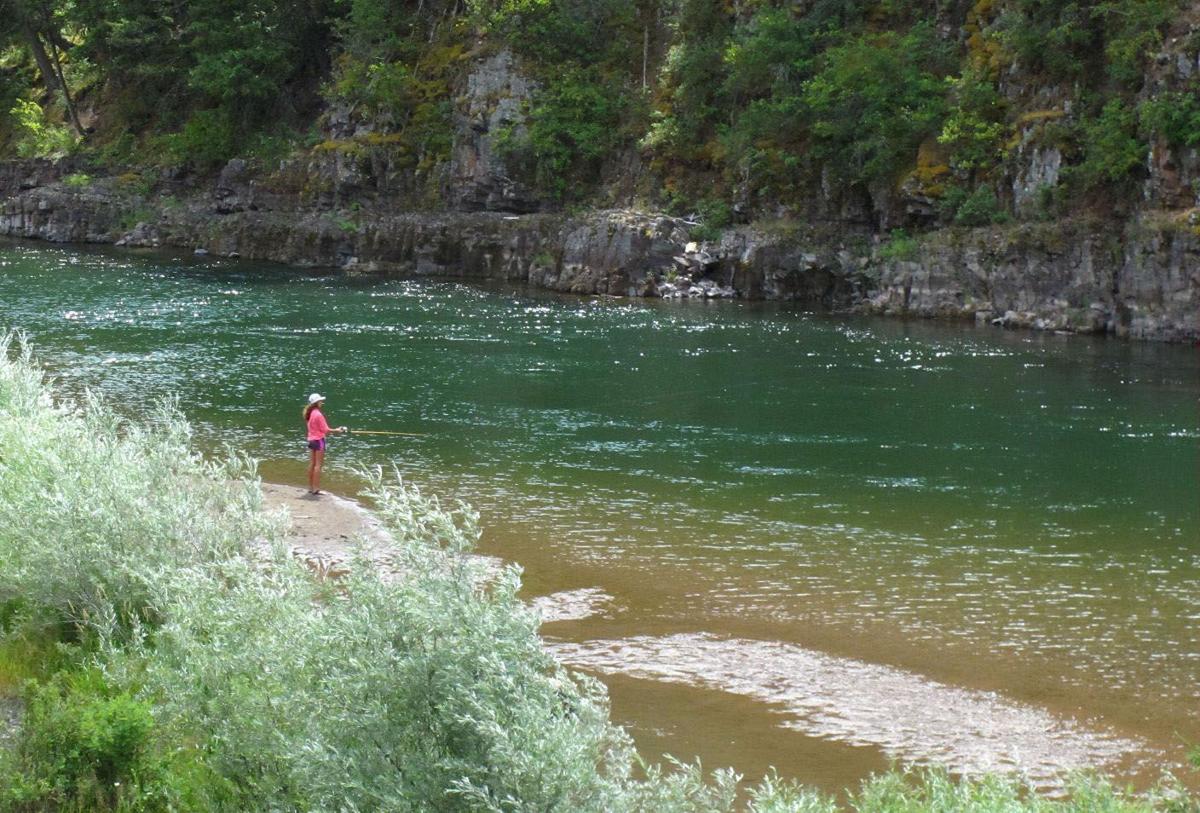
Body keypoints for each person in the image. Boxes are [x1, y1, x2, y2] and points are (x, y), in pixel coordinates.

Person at [303, 393, 347, 495]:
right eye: (320, 401)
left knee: (312, 464)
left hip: (311, 440)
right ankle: (316, 489)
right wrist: (338, 430)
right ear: (316, 403)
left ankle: (310, 487)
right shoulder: (318, 414)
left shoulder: (309, 414)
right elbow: (325, 430)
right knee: (318, 465)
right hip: (319, 441)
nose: (321, 402)